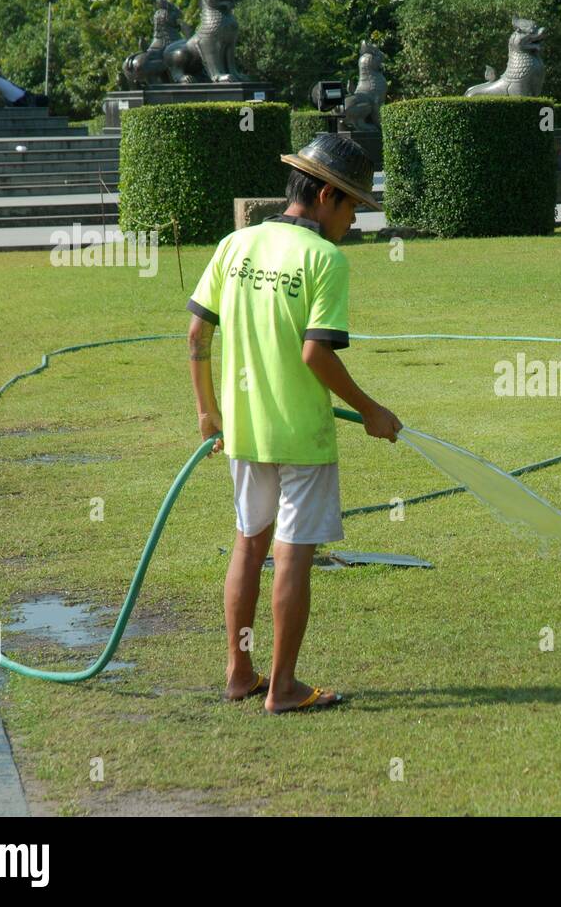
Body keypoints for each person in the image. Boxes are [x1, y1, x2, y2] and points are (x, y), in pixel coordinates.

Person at [186, 133, 402, 714]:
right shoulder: (325, 259)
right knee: (293, 556)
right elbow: (316, 355)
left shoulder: (237, 244)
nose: (353, 220)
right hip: (301, 436)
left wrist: (208, 411)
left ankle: (240, 673)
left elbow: (196, 335)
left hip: (244, 431)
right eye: (352, 206)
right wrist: (371, 411)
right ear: (327, 195)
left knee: (248, 547)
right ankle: (281, 688)